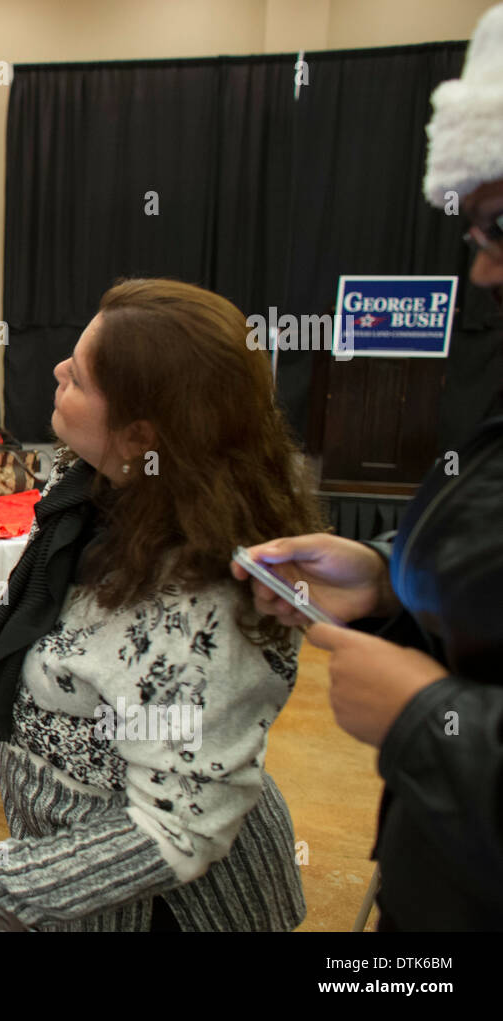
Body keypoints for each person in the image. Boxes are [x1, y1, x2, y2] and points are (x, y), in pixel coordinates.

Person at [0, 279, 326, 930]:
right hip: (77, 884)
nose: (59, 368)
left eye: (83, 377)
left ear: (138, 434)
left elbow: (173, 829)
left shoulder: (202, 590)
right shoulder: (100, 496)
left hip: (171, 907)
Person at [233, 5, 503, 931]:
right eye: (473, 238)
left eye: (500, 230)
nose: (483, 276)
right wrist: (388, 574)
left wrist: (429, 719)